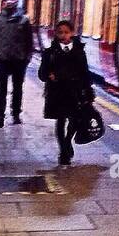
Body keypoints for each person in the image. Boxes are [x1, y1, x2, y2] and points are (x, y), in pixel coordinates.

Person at [42, 19, 89, 165]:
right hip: (57, 93)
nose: (63, 35)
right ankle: (63, 150)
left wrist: (88, 92)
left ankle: (68, 142)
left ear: (72, 33)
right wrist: (48, 75)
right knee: (60, 121)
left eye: (66, 32)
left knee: (75, 120)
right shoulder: (50, 52)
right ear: (56, 34)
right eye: (60, 32)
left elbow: (85, 72)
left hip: (74, 92)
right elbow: (41, 74)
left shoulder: (80, 51)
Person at [0, 0, 34, 125]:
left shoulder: (24, 20)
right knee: (1, 88)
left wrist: (28, 56)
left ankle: (16, 113)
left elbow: (29, 41)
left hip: (19, 60)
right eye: (7, 2)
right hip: (2, 59)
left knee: (17, 88)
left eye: (12, 2)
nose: (9, 4)